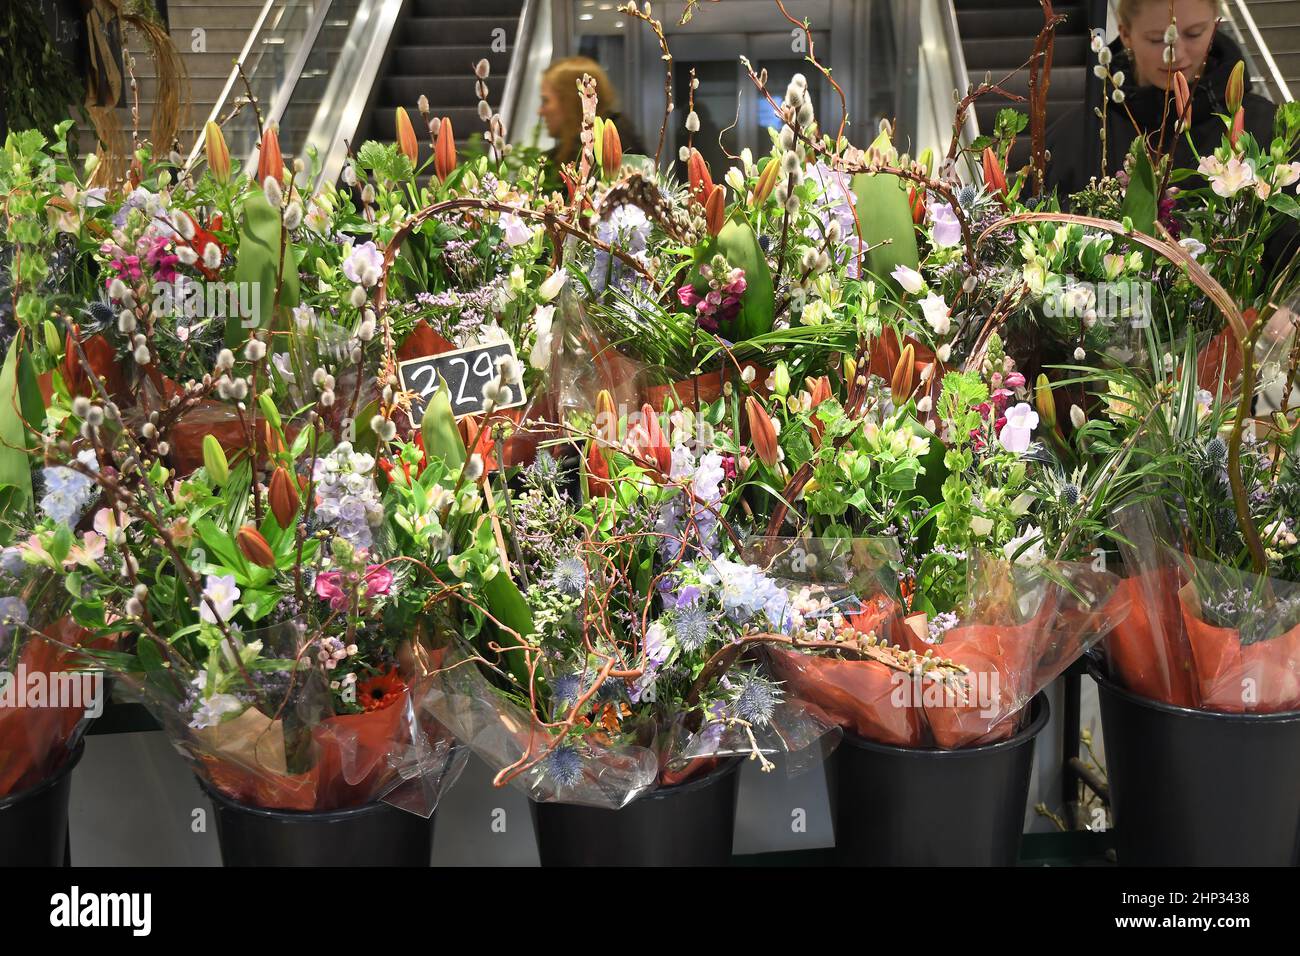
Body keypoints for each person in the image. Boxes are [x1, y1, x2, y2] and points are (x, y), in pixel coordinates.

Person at [1045, 0, 1277, 204]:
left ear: (1214, 26)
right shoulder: (1079, 134)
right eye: (1157, 39)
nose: (1176, 53)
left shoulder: (1265, 127)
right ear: (1126, 35)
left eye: (1194, 33)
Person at [537, 56, 646, 190]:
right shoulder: (559, 155)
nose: (540, 111)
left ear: (570, 101)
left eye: (546, 101)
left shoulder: (611, 141)